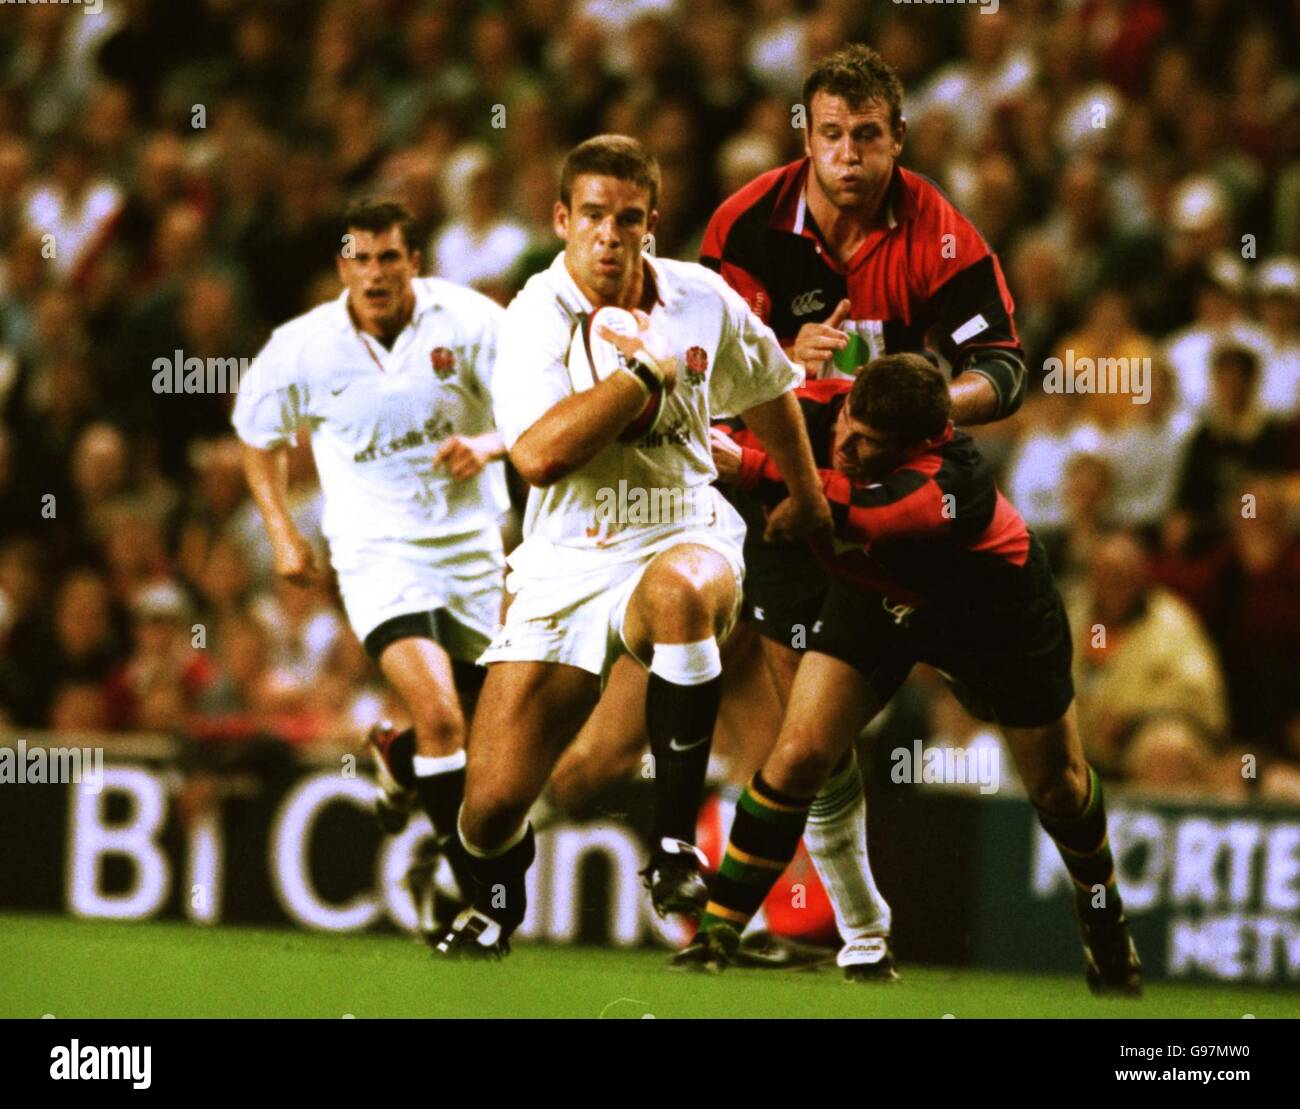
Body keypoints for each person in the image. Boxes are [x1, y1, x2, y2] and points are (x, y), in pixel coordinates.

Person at [432, 135, 830, 959]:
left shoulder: (701, 299)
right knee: (488, 809)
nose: (611, 235)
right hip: (566, 557)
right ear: (561, 220)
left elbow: (770, 388)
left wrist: (808, 498)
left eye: (630, 219)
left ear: (651, 224)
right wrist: (641, 377)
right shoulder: (531, 320)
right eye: (593, 217)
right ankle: (498, 903)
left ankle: (675, 849)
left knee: (685, 592)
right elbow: (539, 458)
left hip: (681, 526)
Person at [680, 353, 1142, 998]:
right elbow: (720, 418)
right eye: (848, 423)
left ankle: (1102, 916)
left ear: (919, 444)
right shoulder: (822, 405)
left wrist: (757, 469)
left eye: (868, 443)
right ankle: (717, 934)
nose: (846, 443)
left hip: (996, 619)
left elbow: (873, 515)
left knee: (1059, 788)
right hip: (878, 599)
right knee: (802, 752)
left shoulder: (952, 479)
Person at [233, 198, 510, 874]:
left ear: (415, 262)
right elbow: (256, 434)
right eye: (361, 258)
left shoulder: (474, 323)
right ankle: (468, 886)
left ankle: (399, 756)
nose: (376, 272)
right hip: (375, 555)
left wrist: (490, 443)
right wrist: (282, 533)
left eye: (390, 257)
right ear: (342, 266)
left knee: (476, 723)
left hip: (474, 545)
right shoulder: (304, 346)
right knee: (444, 718)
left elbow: (540, 407)